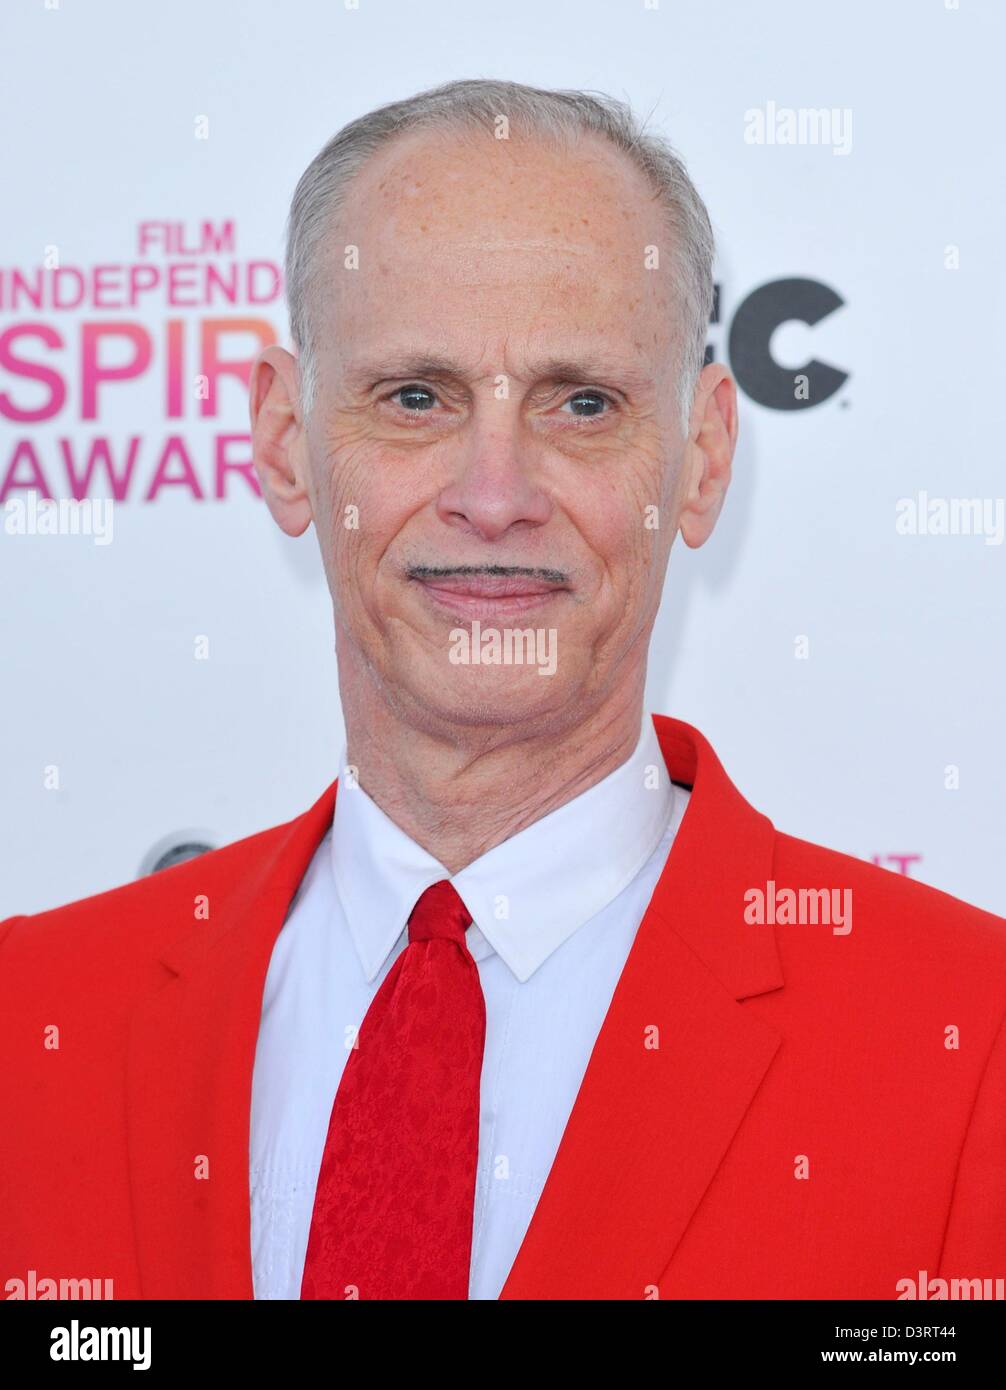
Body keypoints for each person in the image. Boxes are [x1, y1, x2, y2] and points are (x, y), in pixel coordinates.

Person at [2, 79, 1004, 1302]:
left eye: (581, 403)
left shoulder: (965, 1045)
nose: (494, 493)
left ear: (700, 463)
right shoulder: (32, 1018)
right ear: (282, 443)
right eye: (414, 397)